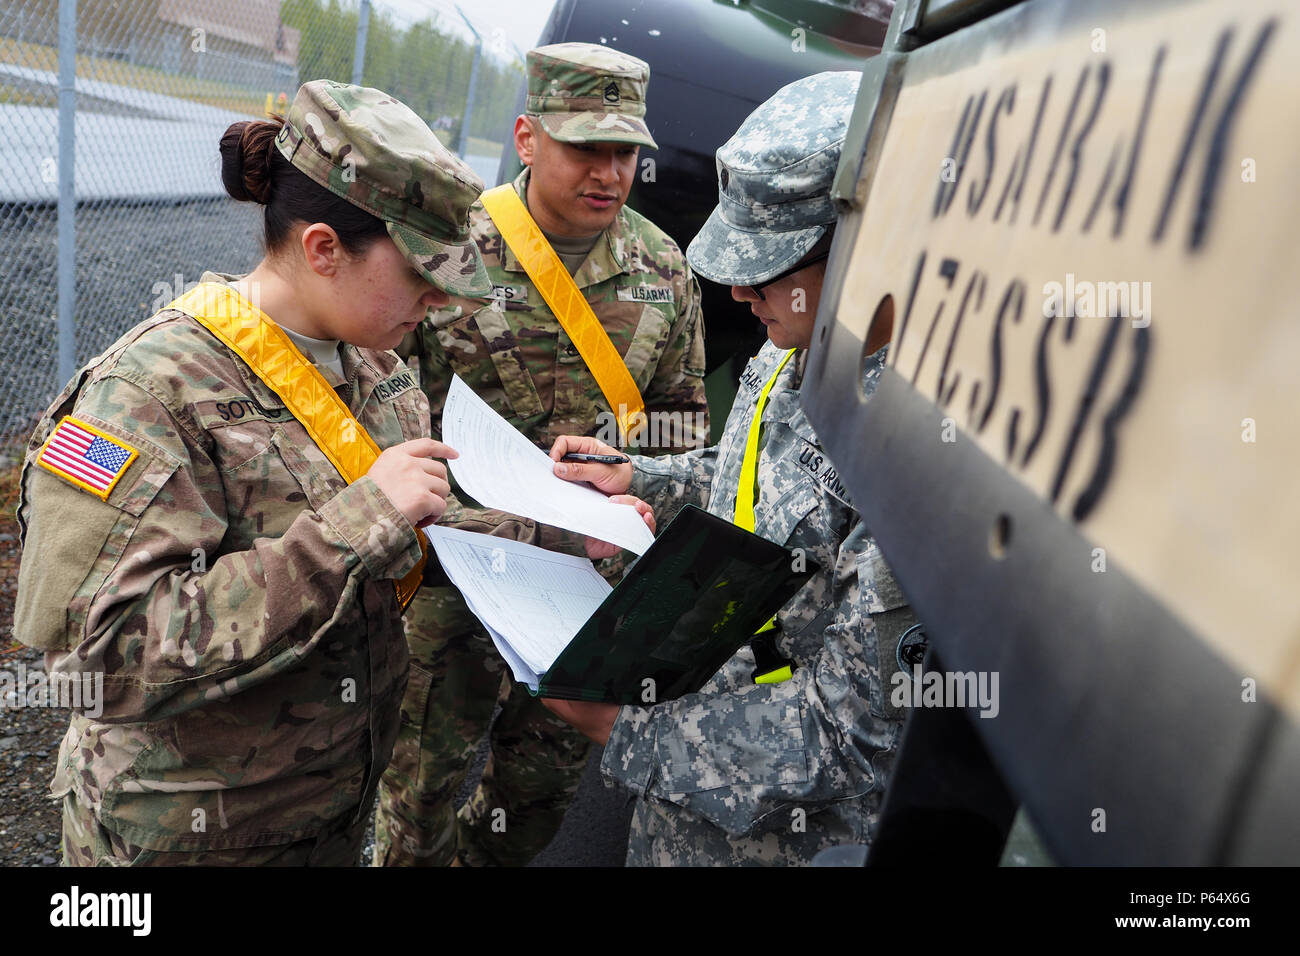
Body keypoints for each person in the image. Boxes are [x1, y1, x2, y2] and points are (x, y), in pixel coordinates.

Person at [12, 79, 489, 865]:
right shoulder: (147, 394)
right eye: (420, 273)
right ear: (323, 249)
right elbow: (96, 662)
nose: (441, 299)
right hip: (182, 842)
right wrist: (353, 530)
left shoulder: (377, 369)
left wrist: (556, 535)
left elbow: (407, 530)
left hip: (329, 809)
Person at [545, 71, 914, 866]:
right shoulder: (802, 343)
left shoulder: (913, 446)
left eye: (772, 263)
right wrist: (641, 478)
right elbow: (755, 469)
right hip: (688, 779)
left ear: (866, 248)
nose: (741, 289)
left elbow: (852, 737)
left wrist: (626, 727)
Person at [374, 41, 710, 867]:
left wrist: (627, 465)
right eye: (584, 147)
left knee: (536, 797)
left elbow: (683, 427)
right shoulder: (451, 250)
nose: (609, 171)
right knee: (414, 786)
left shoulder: (663, 271)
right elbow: (384, 417)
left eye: (625, 151)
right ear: (527, 138)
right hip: (454, 569)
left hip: (584, 586)